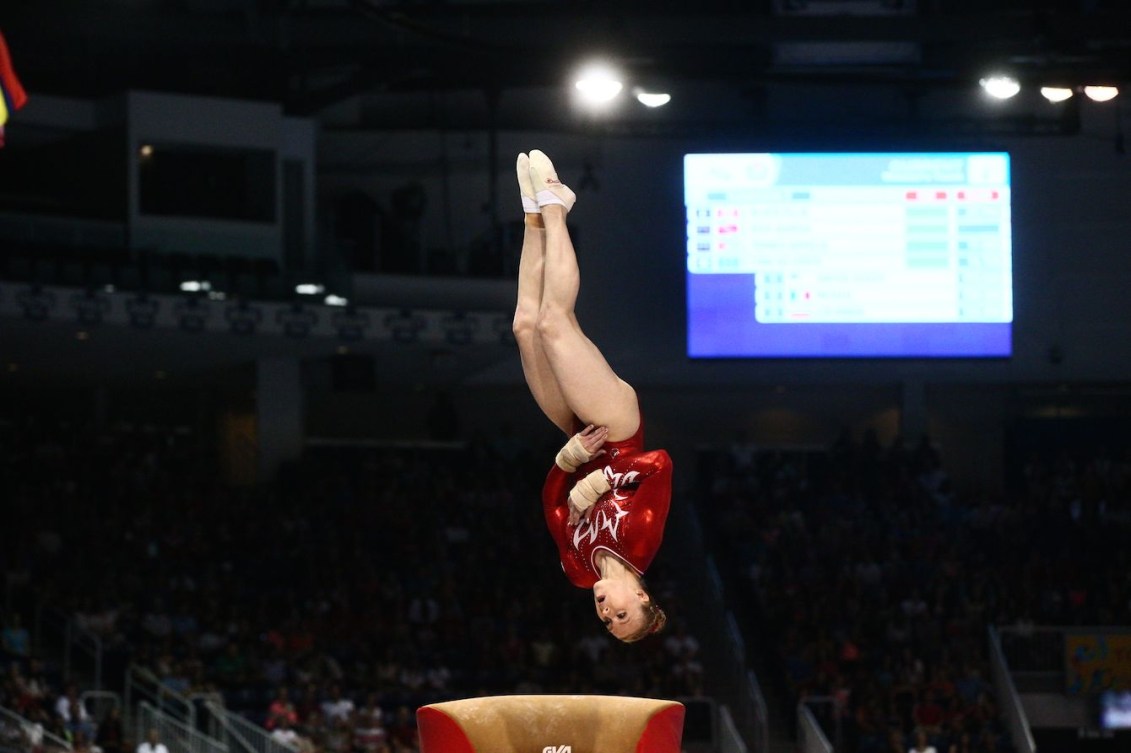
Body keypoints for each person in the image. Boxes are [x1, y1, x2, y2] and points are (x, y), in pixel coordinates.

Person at [511, 148, 673, 642]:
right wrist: (600, 480)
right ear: (642, 596)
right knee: (556, 324)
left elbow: (551, 507)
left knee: (526, 327)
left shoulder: (579, 570)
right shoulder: (641, 541)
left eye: (606, 623)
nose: (606, 614)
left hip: (577, 440)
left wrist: (567, 463)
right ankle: (557, 205)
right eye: (621, 616)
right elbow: (660, 464)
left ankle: (533, 218)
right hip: (617, 430)